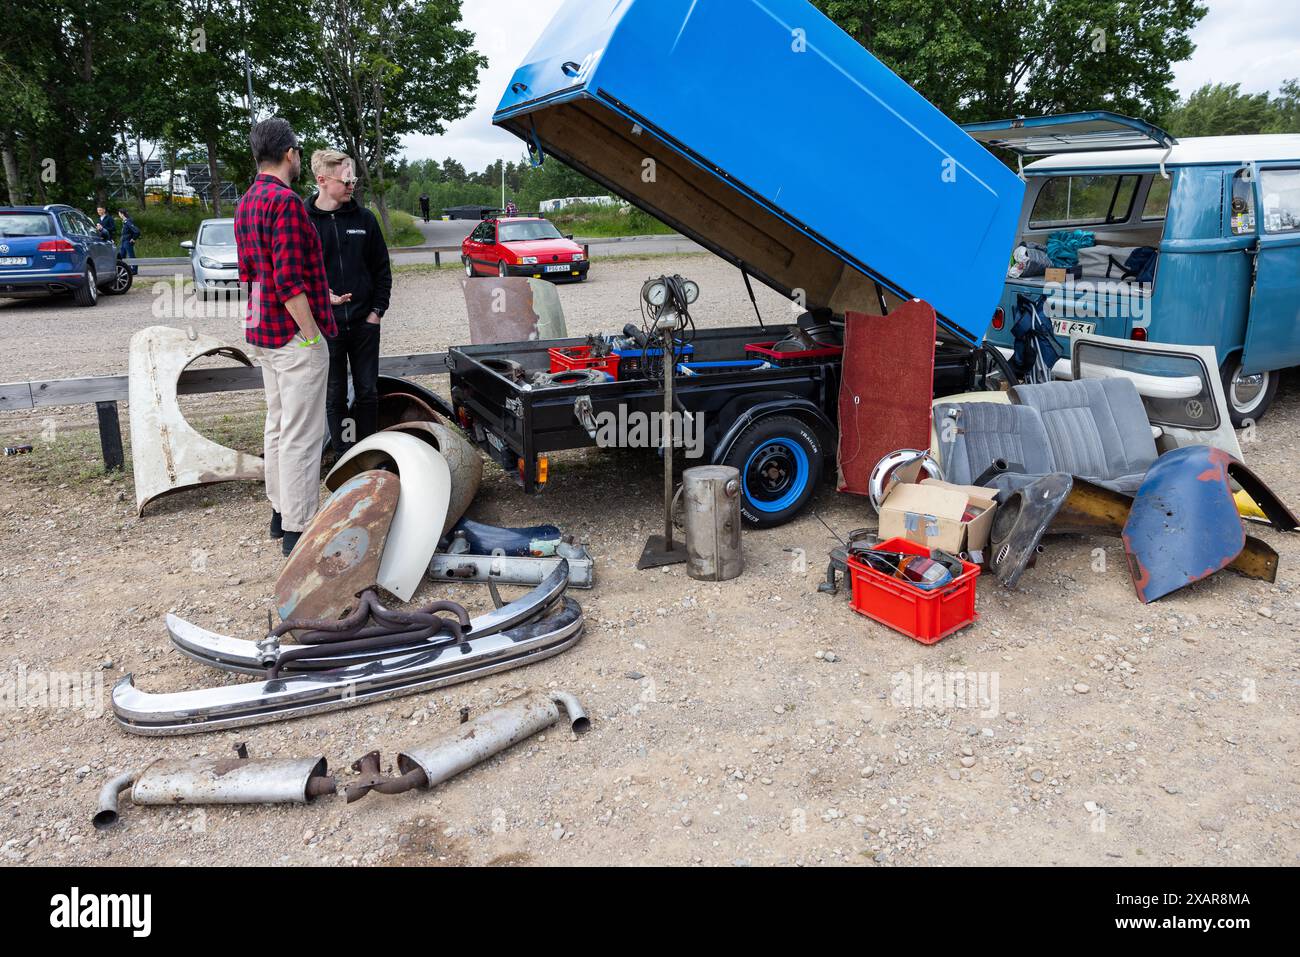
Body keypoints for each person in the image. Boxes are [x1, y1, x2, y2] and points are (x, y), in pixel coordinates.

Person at [234, 117, 336, 557]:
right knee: (302, 434)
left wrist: (318, 296)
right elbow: (288, 282)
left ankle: (280, 513)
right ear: (291, 154)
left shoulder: (246, 202)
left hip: (264, 333)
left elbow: (252, 277)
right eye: (297, 152)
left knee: (277, 424)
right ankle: (298, 529)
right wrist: (312, 335)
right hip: (295, 340)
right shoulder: (287, 203)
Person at [307, 149, 392, 457]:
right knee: (335, 395)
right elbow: (296, 275)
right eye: (346, 179)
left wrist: (376, 312)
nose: (352, 185)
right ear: (322, 180)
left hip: (364, 325)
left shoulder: (365, 220)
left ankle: (368, 451)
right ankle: (345, 455)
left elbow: (382, 269)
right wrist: (317, 303)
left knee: (368, 391)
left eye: (353, 178)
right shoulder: (304, 221)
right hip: (325, 327)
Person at [117, 209, 141, 274]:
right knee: (121, 256)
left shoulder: (128, 222)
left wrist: (133, 238)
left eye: (119, 214)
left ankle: (134, 270)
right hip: (123, 241)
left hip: (127, 241)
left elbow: (137, 231)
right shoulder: (124, 222)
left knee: (131, 255)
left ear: (122, 214)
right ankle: (121, 270)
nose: (119, 215)